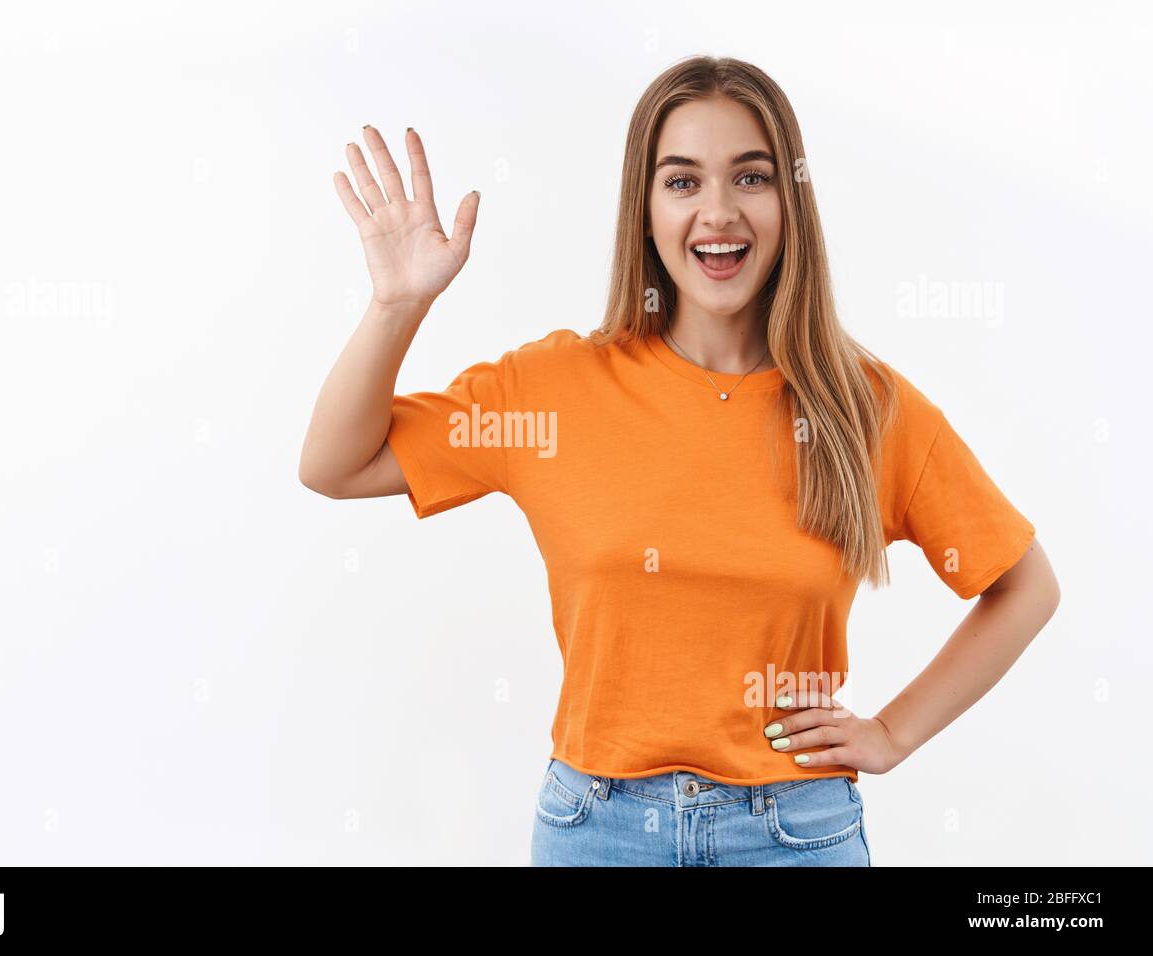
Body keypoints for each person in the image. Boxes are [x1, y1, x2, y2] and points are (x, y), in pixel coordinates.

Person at [299, 56, 1061, 867]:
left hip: (794, 831)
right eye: (684, 181)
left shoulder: (865, 408)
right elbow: (336, 465)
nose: (720, 213)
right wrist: (397, 303)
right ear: (646, 207)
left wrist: (893, 733)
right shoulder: (553, 391)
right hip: (597, 832)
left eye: (752, 177)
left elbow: (1025, 587)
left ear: (790, 199)